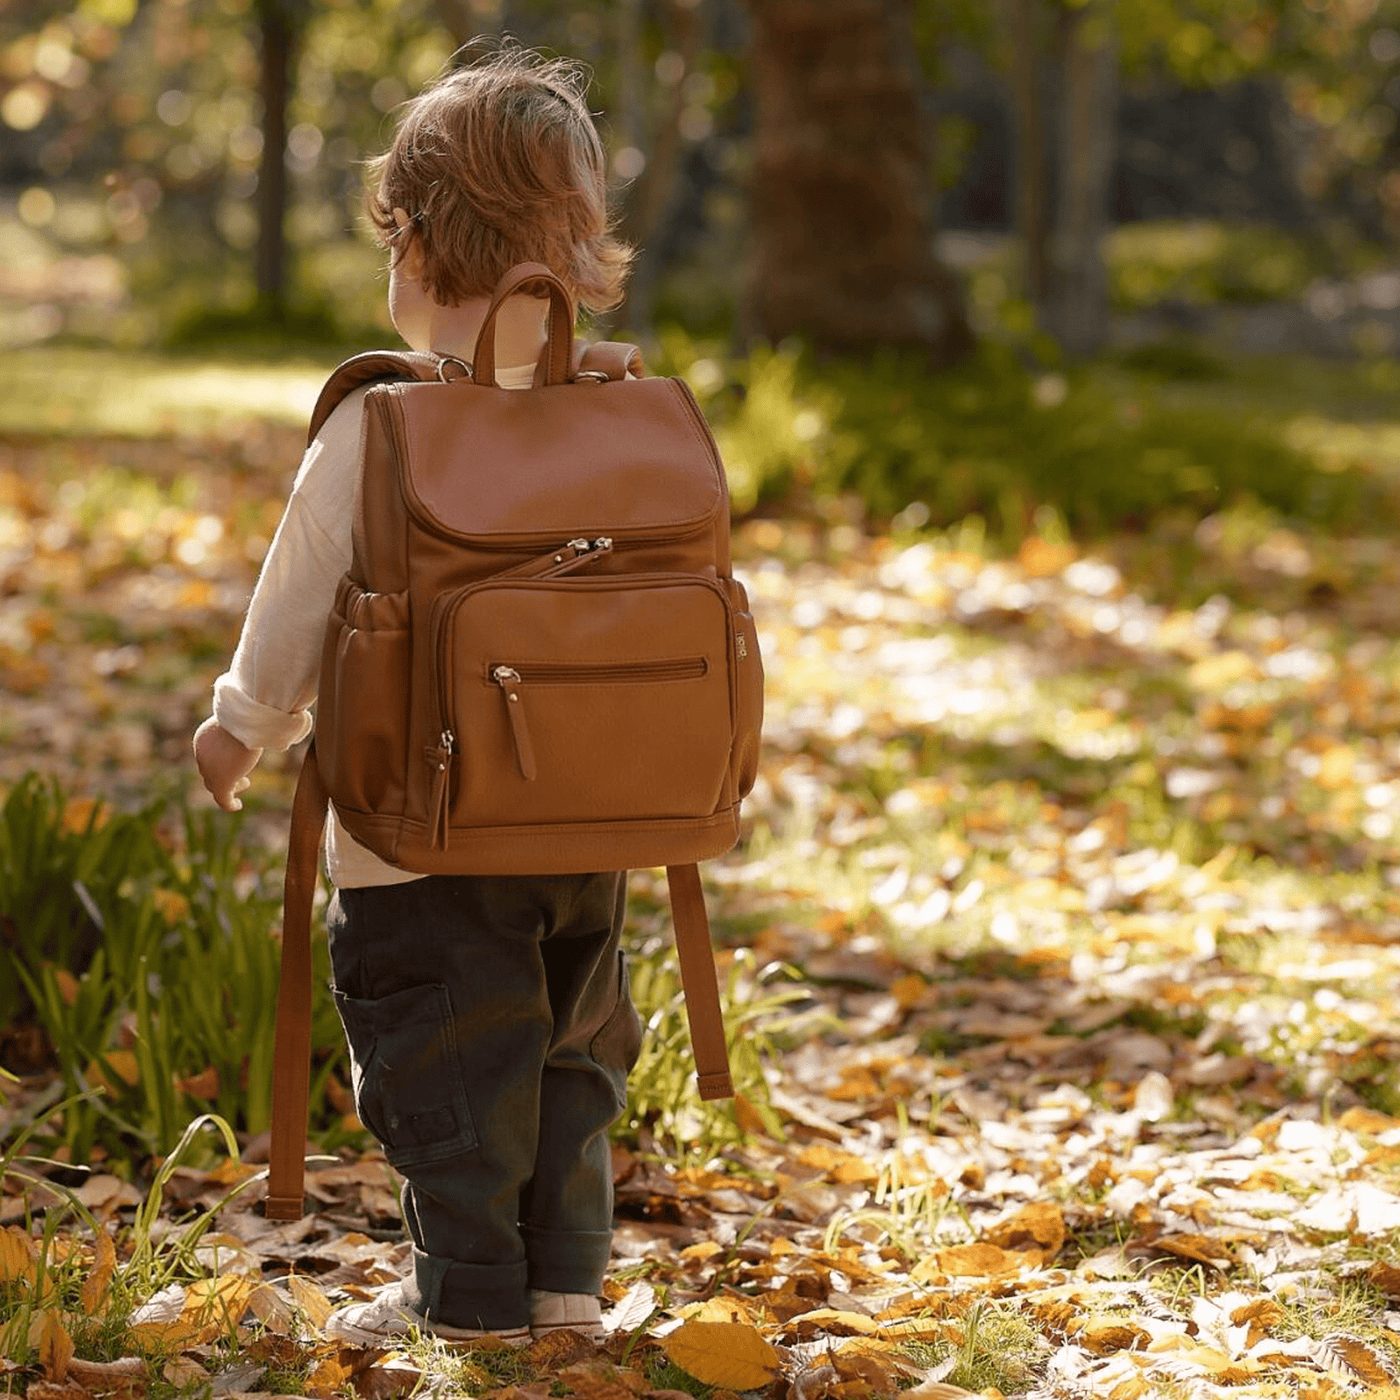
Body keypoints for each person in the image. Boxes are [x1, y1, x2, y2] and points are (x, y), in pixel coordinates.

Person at [193, 40, 642, 1347]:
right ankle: (565, 1286)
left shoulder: (380, 425)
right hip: (588, 820)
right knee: (569, 1056)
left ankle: (470, 1303)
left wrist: (242, 725)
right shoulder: (614, 412)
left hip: (416, 835)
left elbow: (296, 598)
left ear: (421, 247)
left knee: (448, 1065)